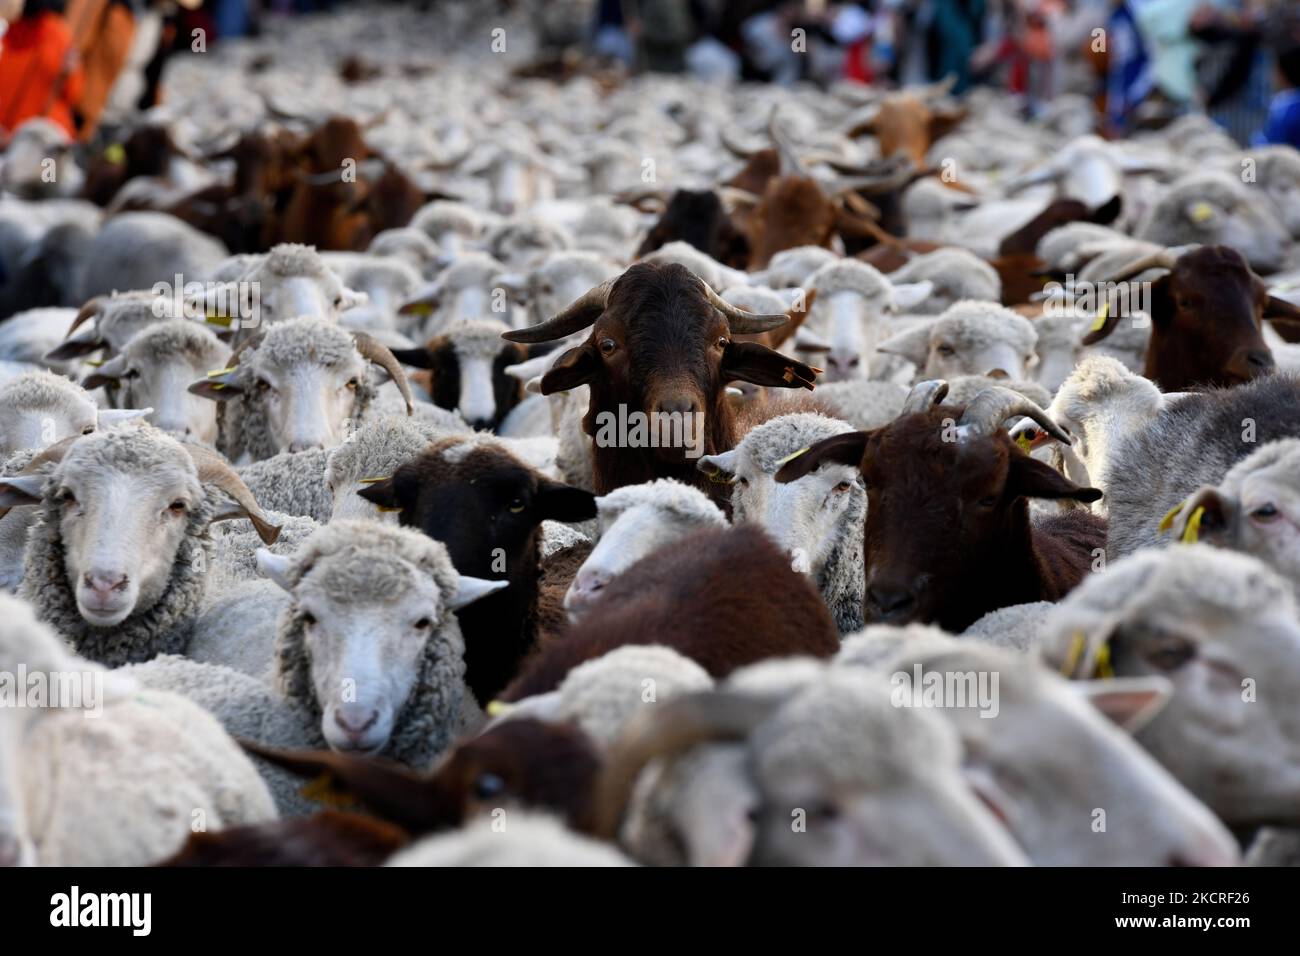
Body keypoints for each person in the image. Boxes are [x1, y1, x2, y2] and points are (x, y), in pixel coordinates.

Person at [0, 0, 85, 138]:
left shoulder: (57, 34)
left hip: (31, 137)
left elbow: (73, 93)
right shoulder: (7, 26)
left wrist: (71, 73)